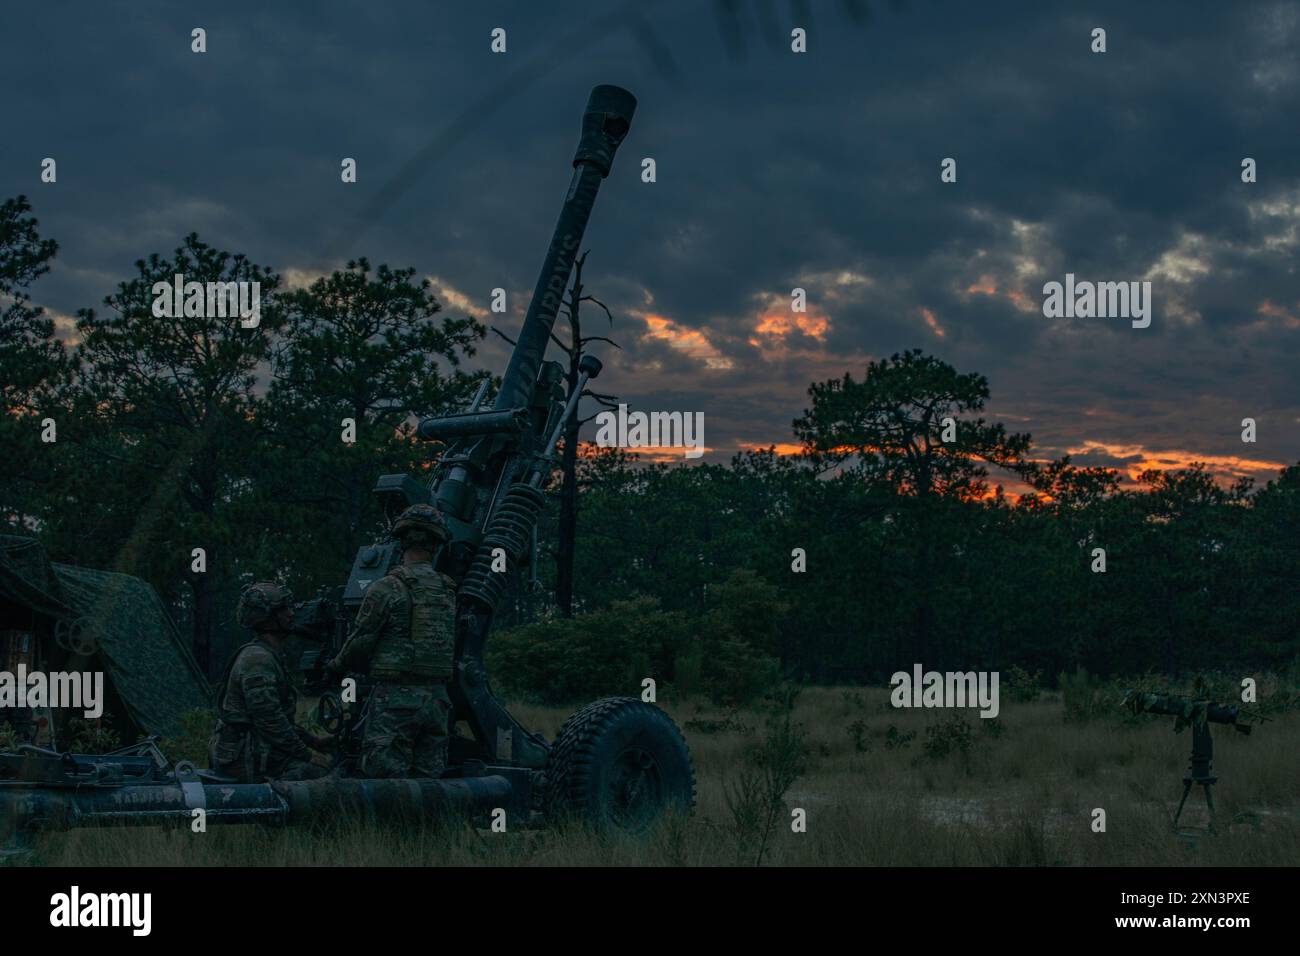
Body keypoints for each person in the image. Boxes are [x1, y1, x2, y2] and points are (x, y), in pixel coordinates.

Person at [325, 504, 457, 778]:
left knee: (386, 782)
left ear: (402, 540)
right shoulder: (448, 589)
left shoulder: (387, 587)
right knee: (428, 780)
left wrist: (335, 667)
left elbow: (360, 641)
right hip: (437, 701)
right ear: (436, 544)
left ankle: (388, 824)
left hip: (397, 698)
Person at [208, 582, 333, 782]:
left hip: (257, 751)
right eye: (283, 609)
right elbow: (270, 722)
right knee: (322, 777)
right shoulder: (258, 660)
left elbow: (277, 719)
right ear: (267, 618)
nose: (291, 614)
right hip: (246, 759)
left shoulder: (267, 654)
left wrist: (315, 742)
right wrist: (310, 755)